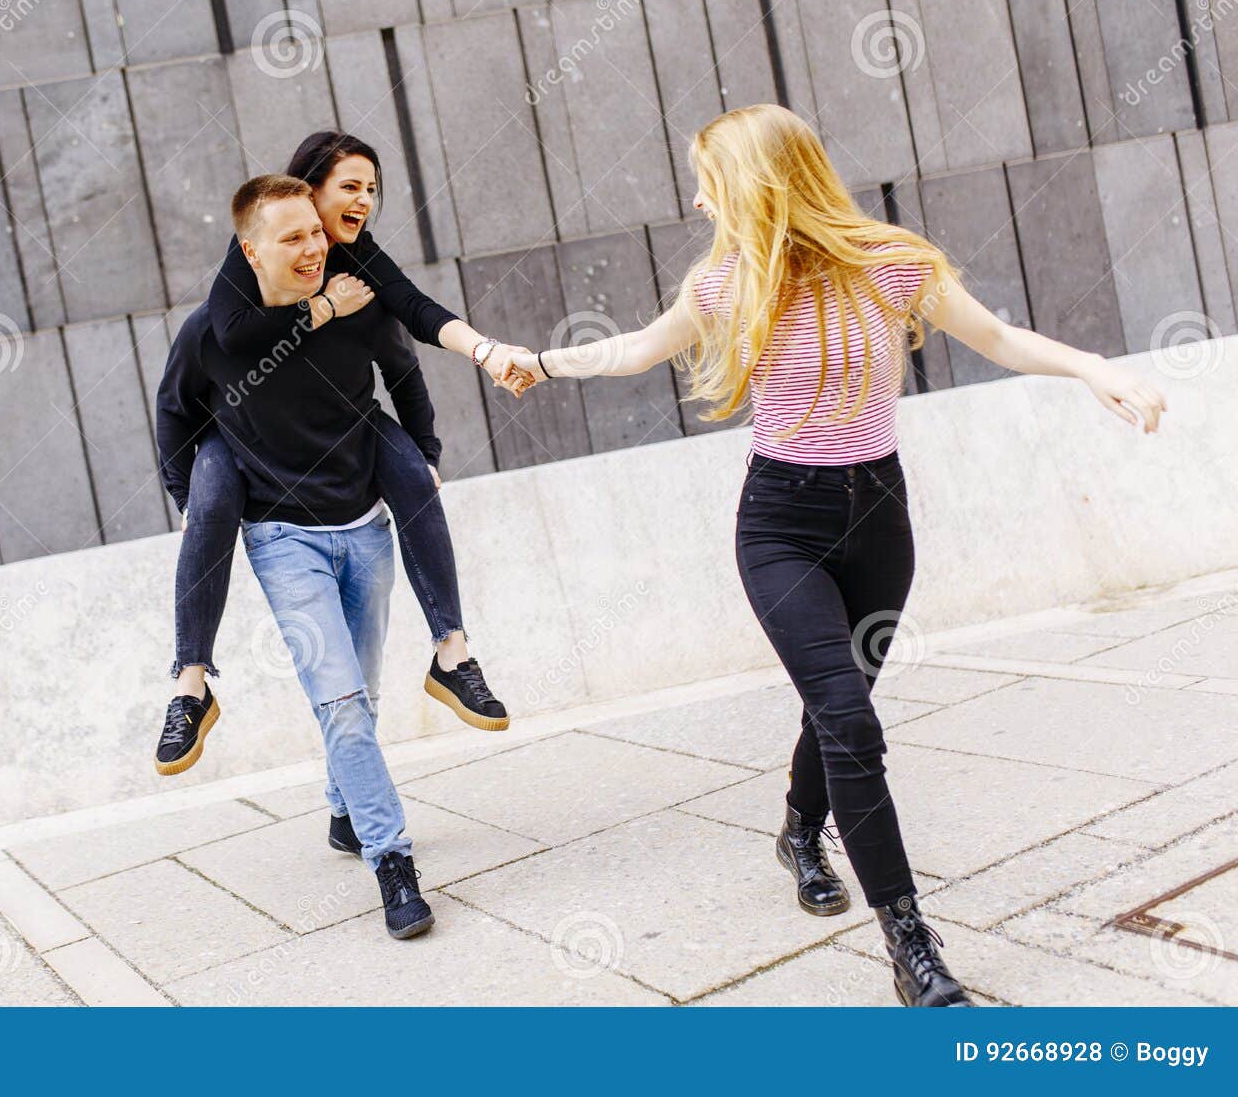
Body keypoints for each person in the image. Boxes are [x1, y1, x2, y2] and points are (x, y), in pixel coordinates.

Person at [501, 103, 1166, 1005]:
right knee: (849, 717)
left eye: (707, 180)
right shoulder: (724, 284)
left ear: (757, 183)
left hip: (878, 518)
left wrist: (1099, 369)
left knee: (840, 707)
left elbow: (1000, 338)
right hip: (780, 525)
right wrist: (543, 361)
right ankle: (911, 944)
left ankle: (798, 830)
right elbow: (635, 351)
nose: (697, 201)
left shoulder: (892, 264)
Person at [156, 174, 478, 938]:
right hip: (280, 538)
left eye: (315, 232)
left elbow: (406, 374)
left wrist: (424, 453)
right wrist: (192, 504)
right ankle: (392, 862)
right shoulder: (211, 332)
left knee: (357, 697)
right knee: (338, 699)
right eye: (290, 236)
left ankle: (343, 811)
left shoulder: (354, 305)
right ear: (249, 250)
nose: (310, 248)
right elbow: (174, 416)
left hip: (365, 526)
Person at [157, 131, 528, 783]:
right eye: (349, 188)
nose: (362, 202)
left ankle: (452, 652)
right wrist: (323, 308)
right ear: (308, 190)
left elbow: (415, 320)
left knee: (413, 469)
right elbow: (228, 340)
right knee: (208, 497)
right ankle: (191, 685)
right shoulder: (247, 262)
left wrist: (485, 354)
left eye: (372, 190)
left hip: (349, 432)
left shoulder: (359, 262)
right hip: (242, 435)